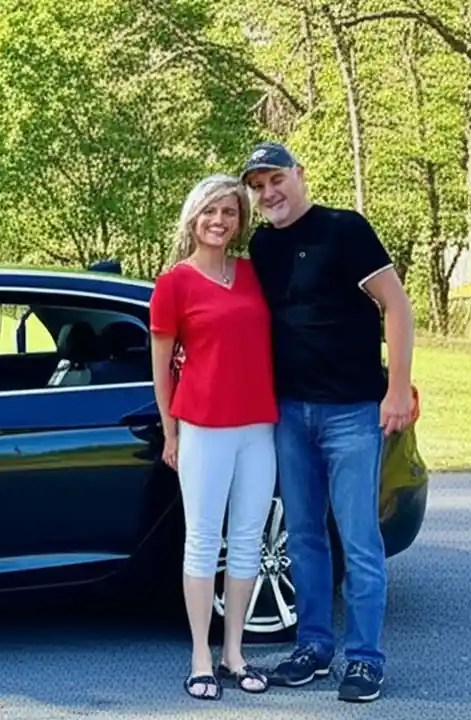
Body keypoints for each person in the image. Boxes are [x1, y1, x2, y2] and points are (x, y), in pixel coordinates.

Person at [241, 142, 416, 704]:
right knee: (306, 538)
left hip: (353, 413)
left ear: (299, 175)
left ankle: (364, 660)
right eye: (258, 186)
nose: (269, 193)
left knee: (359, 539)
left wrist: (395, 390)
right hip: (290, 412)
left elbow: (397, 306)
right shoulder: (262, 245)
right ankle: (313, 648)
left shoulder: (345, 229)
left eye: (276, 180)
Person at [149, 174, 279, 701]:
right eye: (210, 212)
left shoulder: (253, 274)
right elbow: (161, 365)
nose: (219, 221)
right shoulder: (173, 283)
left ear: (239, 220)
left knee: (248, 539)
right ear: (193, 218)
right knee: (203, 540)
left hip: (258, 426)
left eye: (229, 212)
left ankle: (234, 653)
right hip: (202, 427)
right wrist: (170, 431)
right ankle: (200, 655)